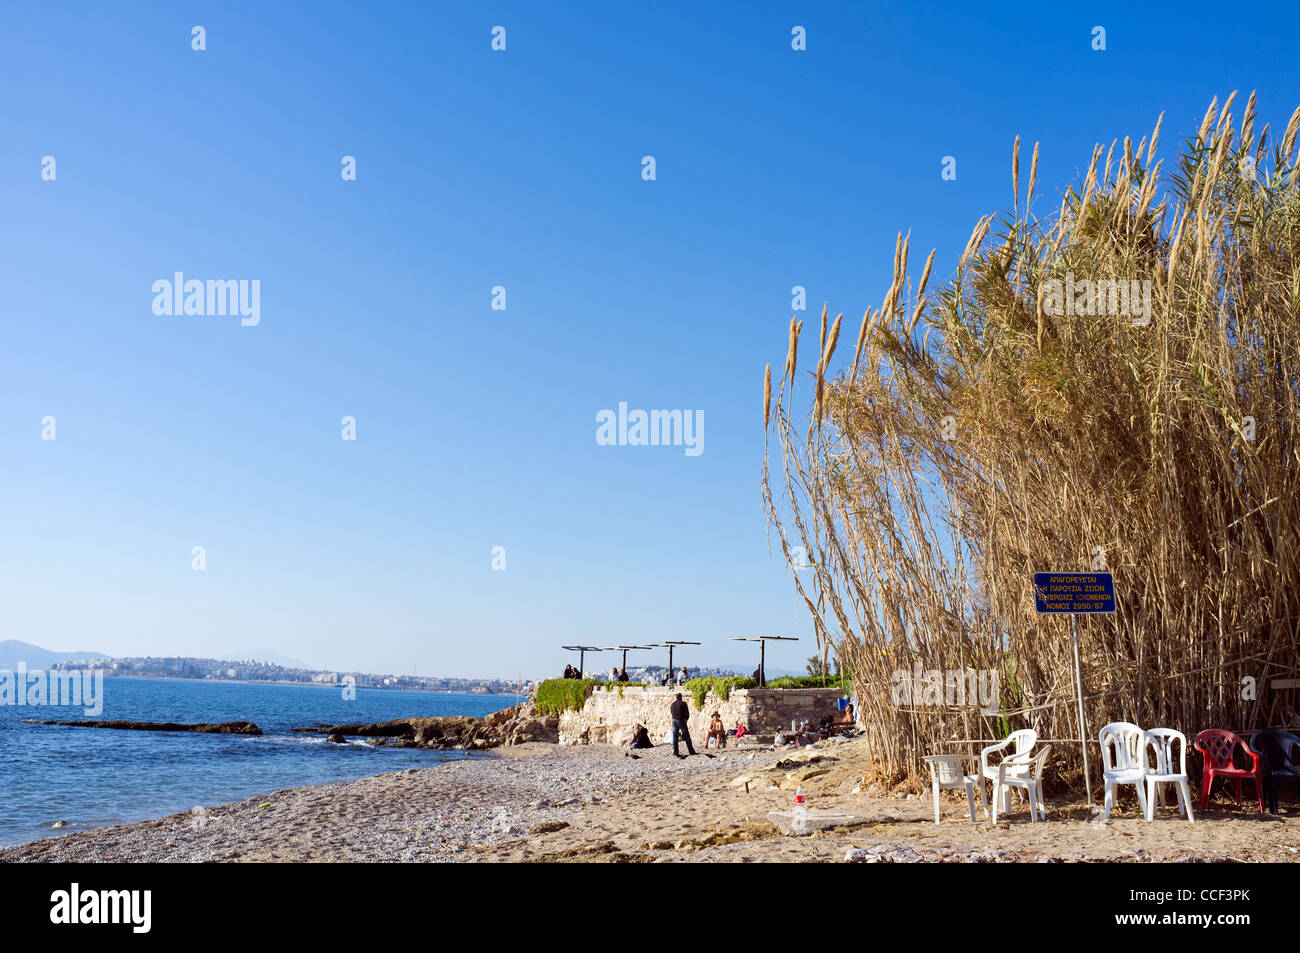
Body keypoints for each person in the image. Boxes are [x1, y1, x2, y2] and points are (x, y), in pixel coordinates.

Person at [669, 692, 696, 757]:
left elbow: (671, 712)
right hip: (681, 720)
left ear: (676, 697)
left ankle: (675, 752)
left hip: (674, 720)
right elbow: (687, 714)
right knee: (686, 736)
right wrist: (685, 720)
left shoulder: (672, 704)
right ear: (681, 697)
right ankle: (691, 751)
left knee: (675, 737)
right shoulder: (683, 704)